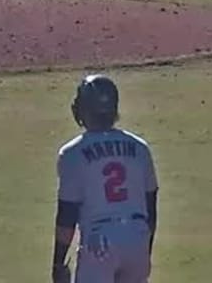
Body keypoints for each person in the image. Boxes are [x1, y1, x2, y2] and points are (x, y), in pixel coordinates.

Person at [52, 75, 159, 283]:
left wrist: (58, 262)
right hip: (137, 235)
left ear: (82, 110)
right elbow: (151, 208)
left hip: (99, 242)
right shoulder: (140, 148)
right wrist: (144, 248)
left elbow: (67, 215)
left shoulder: (72, 153)